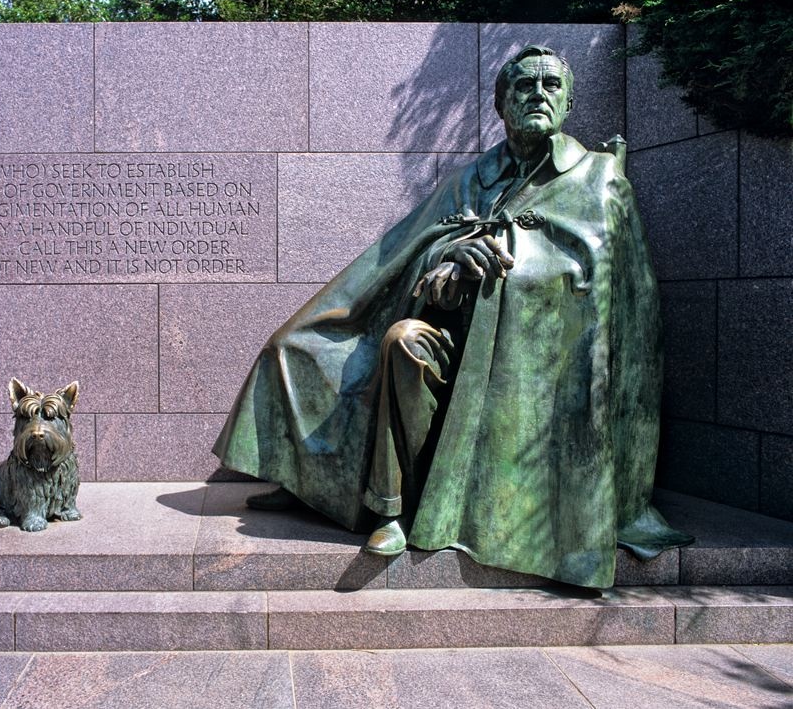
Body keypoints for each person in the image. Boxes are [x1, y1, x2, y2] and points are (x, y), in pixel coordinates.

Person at [213, 45, 691, 589]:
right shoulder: (472, 178)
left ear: (569, 102)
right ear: (500, 103)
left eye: (551, 86)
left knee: (399, 342)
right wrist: (446, 260)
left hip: (533, 371)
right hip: (451, 339)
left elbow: (622, 312)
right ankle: (327, 485)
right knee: (308, 346)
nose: (538, 94)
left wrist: (508, 257)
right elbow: (411, 252)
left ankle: (396, 509)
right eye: (523, 86)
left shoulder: (600, 182)